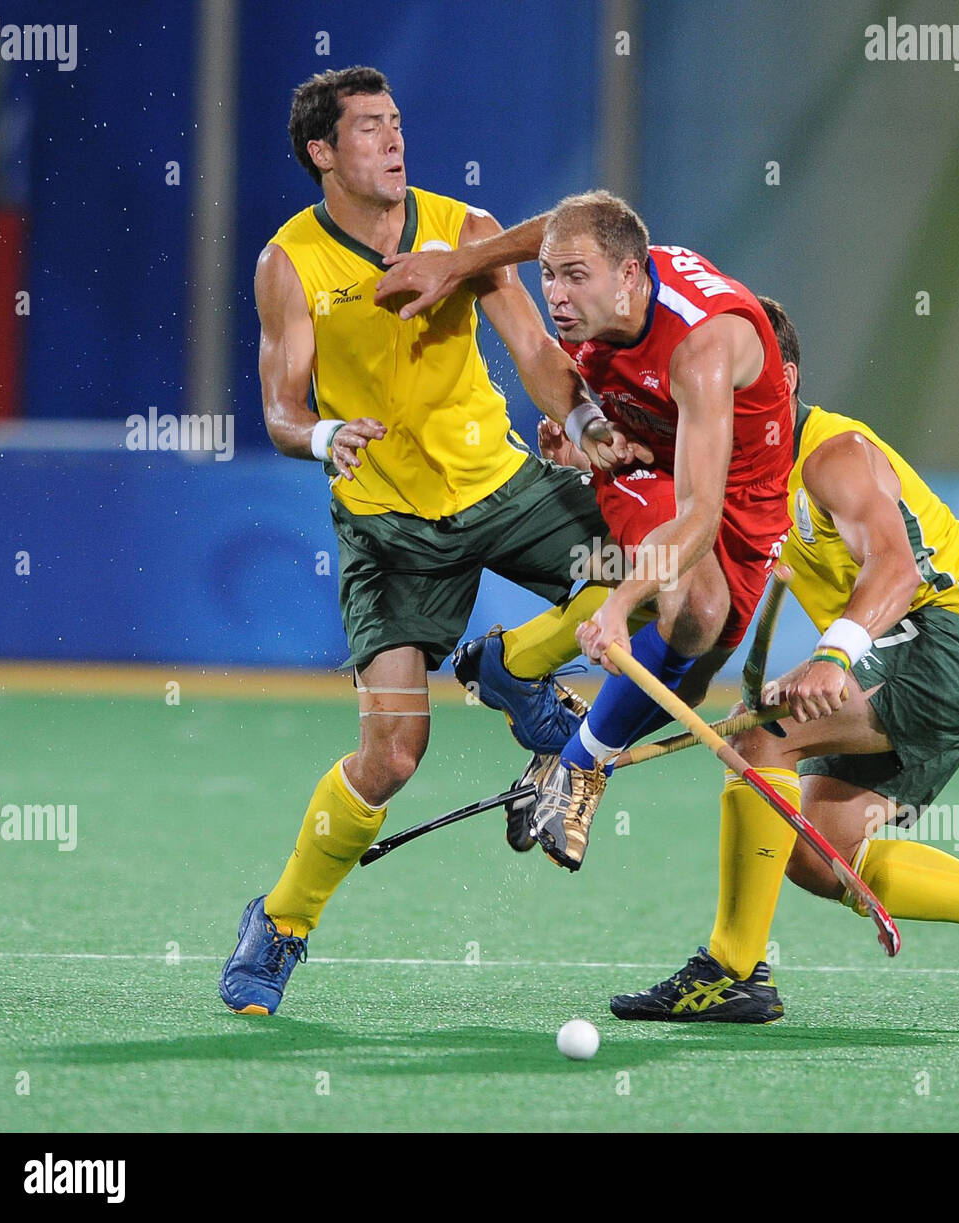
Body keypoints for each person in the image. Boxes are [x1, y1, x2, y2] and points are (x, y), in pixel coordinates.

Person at [219, 67, 643, 1016]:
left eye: (397, 123)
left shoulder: (465, 228)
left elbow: (535, 351)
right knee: (392, 753)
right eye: (368, 129)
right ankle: (281, 920)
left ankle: (511, 671)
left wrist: (582, 426)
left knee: (639, 568)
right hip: (388, 531)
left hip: (496, 486)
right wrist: (328, 436)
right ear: (322, 153)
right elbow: (283, 412)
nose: (394, 141)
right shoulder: (288, 263)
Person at [606, 298, 959, 1030]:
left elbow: (896, 569)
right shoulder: (732, 479)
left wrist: (832, 655)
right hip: (916, 650)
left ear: (784, 378)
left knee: (762, 740)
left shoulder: (832, 456)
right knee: (818, 854)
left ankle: (731, 971)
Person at [384, 192, 794, 873]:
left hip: (731, 493)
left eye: (574, 277)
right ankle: (579, 767)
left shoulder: (700, 349)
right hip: (637, 456)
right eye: (550, 275)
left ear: (630, 276)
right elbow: (555, 233)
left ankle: (531, 698)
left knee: (686, 682)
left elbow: (701, 515)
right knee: (696, 608)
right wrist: (460, 264)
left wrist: (617, 604)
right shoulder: (594, 269)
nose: (556, 294)